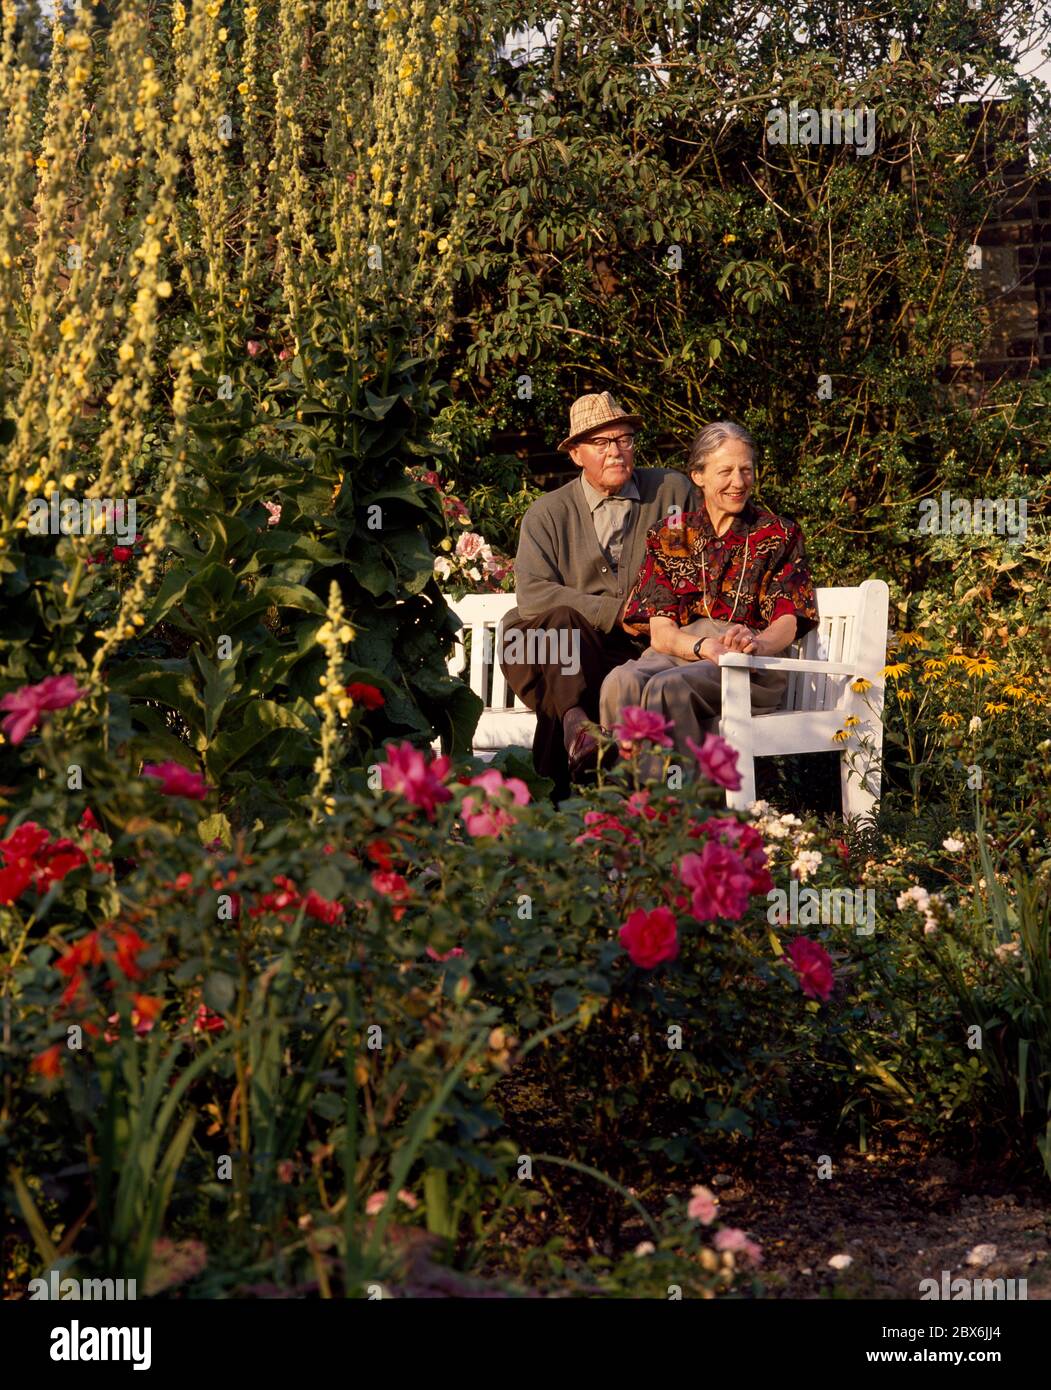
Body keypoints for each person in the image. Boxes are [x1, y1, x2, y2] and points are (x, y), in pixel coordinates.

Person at [499, 390, 693, 799]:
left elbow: (695, 562)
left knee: (560, 684)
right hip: (562, 647)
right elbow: (532, 595)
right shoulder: (547, 513)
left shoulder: (670, 491)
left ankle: (571, 742)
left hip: (636, 649)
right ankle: (578, 729)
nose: (616, 452)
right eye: (601, 443)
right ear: (575, 454)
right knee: (553, 626)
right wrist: (617, 610)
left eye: (623, 439)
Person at [599, 420, 819, 766]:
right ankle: (628, 798)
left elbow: (788, 621)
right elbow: (661, 631)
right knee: (619, 681)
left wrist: (753, 645)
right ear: (698, 476)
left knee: (667, 688)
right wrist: (702, 646)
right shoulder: (670, 536)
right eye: (726, 471)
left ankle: (682, 806)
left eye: (746, 470)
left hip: (749, 664)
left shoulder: (778, 534)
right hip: (686, 650)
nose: (739, 482)